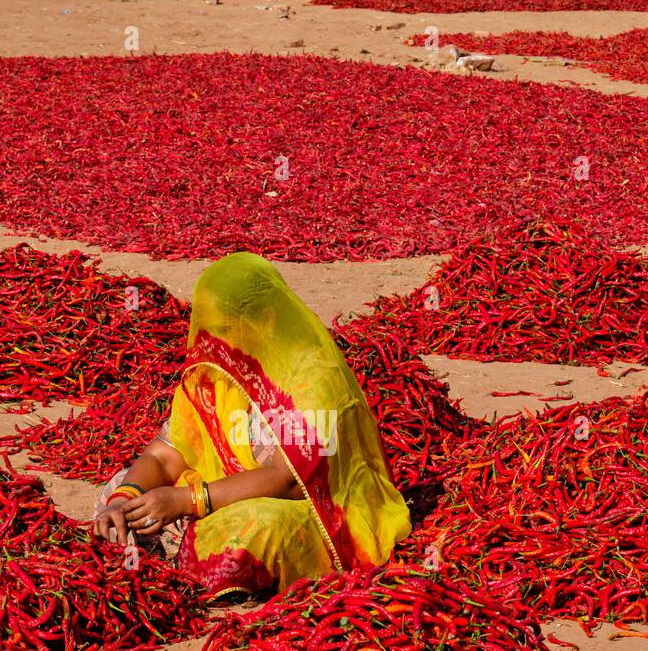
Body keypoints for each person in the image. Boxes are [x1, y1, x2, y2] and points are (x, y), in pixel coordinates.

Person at [90, 252, 410, 597]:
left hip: (314, 507)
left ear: (267, 319)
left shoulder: (312, 378)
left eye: (225, 330)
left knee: (257, 526)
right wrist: (125, 498)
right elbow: (166, 453)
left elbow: (290, 479)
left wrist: (187, 501)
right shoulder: (217, 371)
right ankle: (178, 548)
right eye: (207, 329)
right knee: (121, 488)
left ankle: (187, 559)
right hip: (225, 491)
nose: (215, 343)